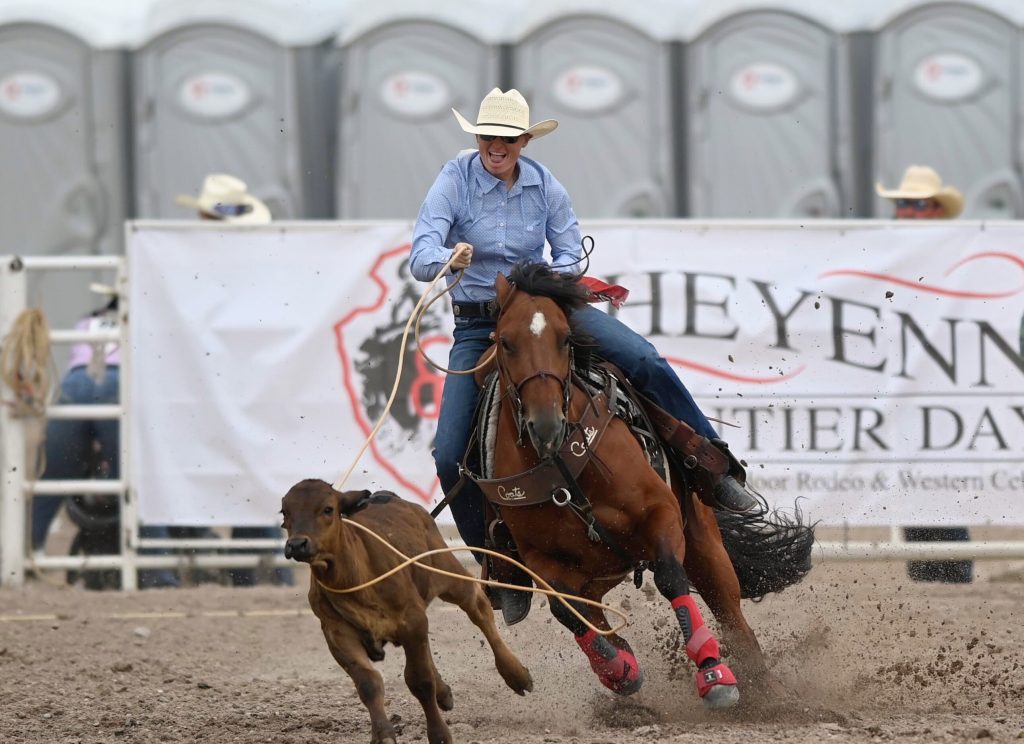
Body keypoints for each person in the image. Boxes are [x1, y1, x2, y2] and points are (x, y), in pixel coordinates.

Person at [410, 88, 759, 622]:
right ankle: (498, 562)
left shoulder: (546, 187)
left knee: (642, 359)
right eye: (487, 136)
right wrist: (446, 256)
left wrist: (548, 283)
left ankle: (711, 464)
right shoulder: (453, 180)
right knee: (447, 451)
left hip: (548, 312)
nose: (495, 145)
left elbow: (570, 252)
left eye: (506, 138)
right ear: (477, 137)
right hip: (481, 325)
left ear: (524, 141)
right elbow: (420, 257)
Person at [175, 174, 291, 587]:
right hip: (238, 378)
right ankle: (259, 571)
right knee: (247, 468)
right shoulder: (254, 268)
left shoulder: (195, 268)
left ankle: (247, 568)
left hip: (214, 379)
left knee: (228, 467)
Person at [32, 284, 179, 589]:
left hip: (75, 384)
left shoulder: (89, 319)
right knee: (139, 483)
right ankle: (158, 575)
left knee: (53, 479)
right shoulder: (147, 320)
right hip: (120, 385)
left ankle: (25, 556)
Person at [876, 164, 972, 584]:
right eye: (903, 204)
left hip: (945, 382)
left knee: (942, 468)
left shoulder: (958, 254)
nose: (909, 212)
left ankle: (950, 568)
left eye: (917, 204)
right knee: (914, 467)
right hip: (903, 379)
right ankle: (930, 568)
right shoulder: (886, 254)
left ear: (936, 210)